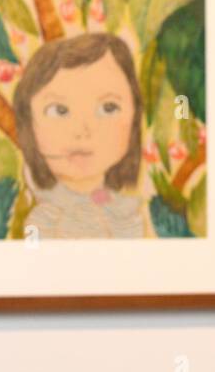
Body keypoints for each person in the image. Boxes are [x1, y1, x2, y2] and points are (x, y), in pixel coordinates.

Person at [12, 31, 146, 238]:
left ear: (134, 115)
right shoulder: (44, 218)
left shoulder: (127, 211)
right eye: (59, 110)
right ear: (29, 122)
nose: (82, 131)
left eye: (108, 108)